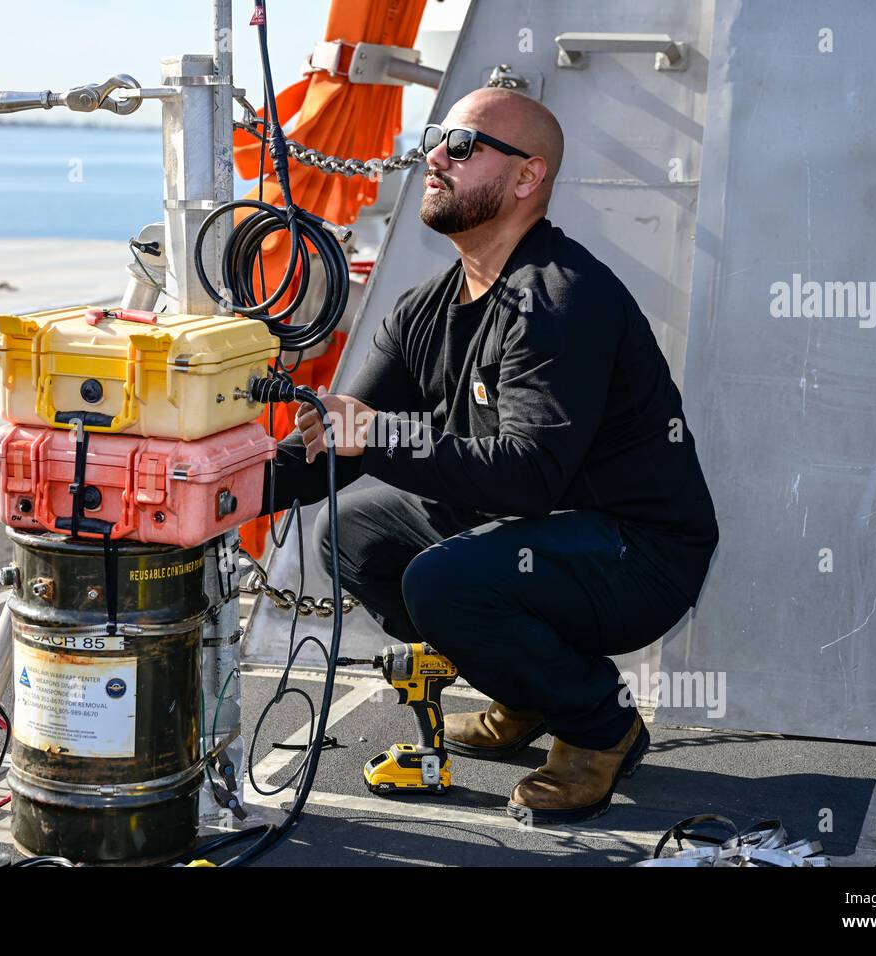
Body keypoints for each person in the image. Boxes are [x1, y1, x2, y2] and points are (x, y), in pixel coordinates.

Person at [257, 87, 719, 823]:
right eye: (437, 138)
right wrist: (211, 490)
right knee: (350, 532)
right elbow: (327, 449)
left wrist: (379, 433)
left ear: (527, 177)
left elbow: (529, 476)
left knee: (446, 581)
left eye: (463, 145)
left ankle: (599, 725)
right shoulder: (424, 310)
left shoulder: (560, 301)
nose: (434, 156)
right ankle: (531, 688)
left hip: (638, 551)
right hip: (534, 536)